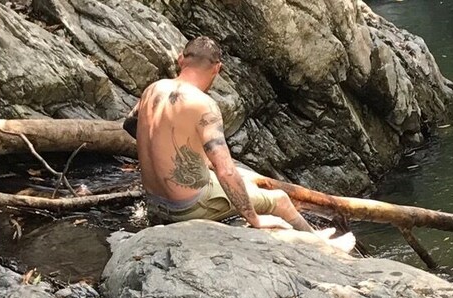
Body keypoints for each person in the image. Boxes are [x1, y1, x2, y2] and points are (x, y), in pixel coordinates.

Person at [125, 37, 314, 232]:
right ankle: (321, 246)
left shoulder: (153, 89)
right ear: (217, 68)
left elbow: (129, 124)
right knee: (280, 199)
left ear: (181, 59)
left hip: (154, 203)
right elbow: (226, 171)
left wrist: (161, 151)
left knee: (246, 180)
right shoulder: (204, 105)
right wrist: (254, 219)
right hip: (187, 208)